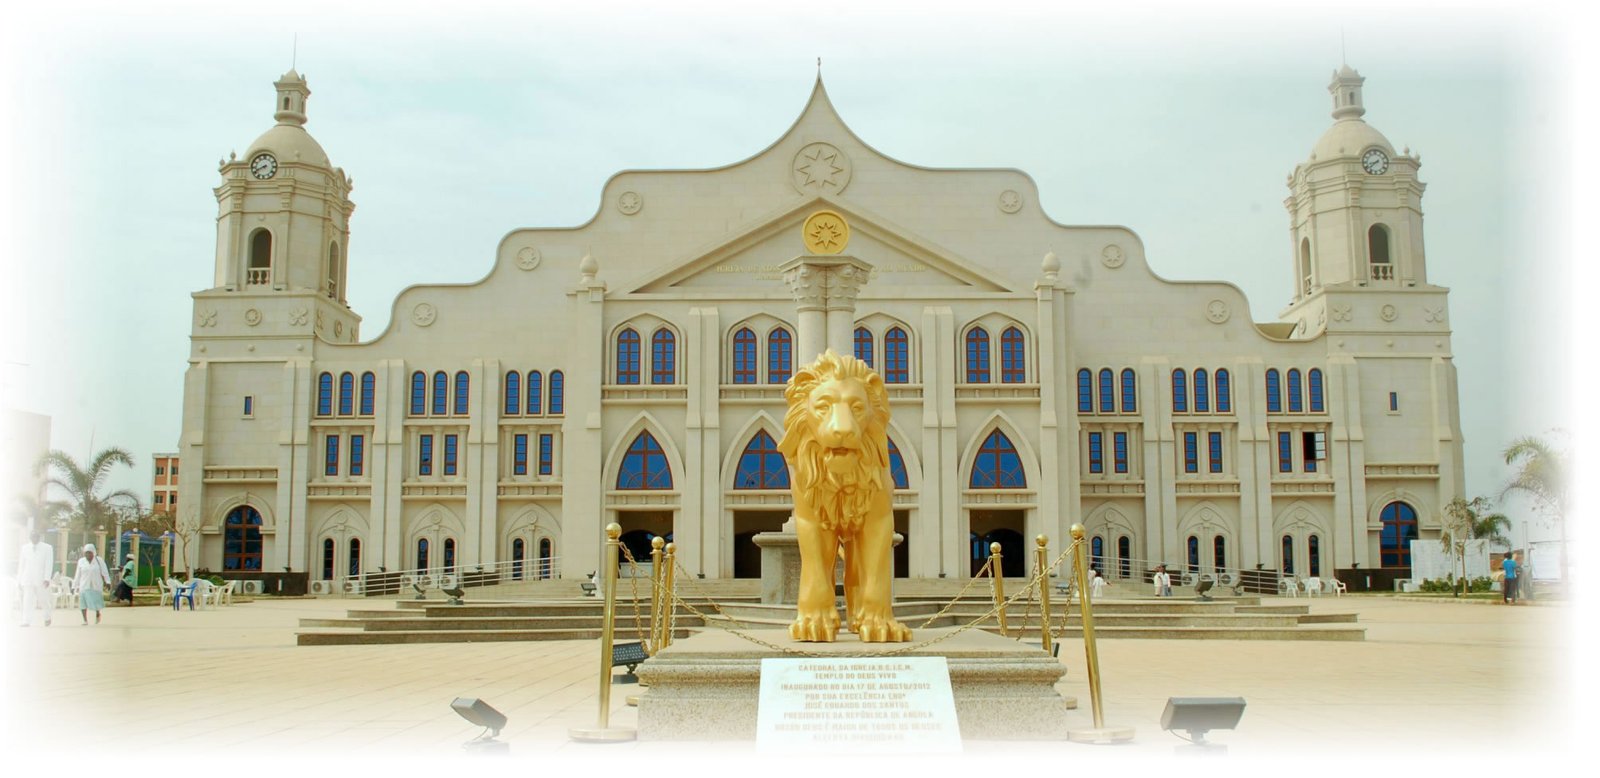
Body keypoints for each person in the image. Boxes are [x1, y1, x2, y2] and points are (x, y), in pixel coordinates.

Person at [16, 530, 54, 627]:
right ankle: (26, 620)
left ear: (39, 537)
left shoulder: (47, 548)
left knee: (43, 600)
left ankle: (47, 617)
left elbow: (49, 564)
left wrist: (47, 578)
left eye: (36, 537)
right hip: (27, 578)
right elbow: (22, 565)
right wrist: (19, 580)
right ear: (30, 538)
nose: (34, 539)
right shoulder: (25, 548)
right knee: (27, 600)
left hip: (41, 579)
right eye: (32, 537)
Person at [73, 544, 112, 625]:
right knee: (83, 603)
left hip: (96, 585)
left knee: (96, 602)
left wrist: (108, 582)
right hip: (84, 585)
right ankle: (85, 620)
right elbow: (77, 575)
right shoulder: (81, 561)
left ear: (93, 552)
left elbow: (105, 572)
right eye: (86, 553)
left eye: (89, 553)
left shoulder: (99, 560)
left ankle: (98, 613)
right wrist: (74, 586)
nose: (88, 555)